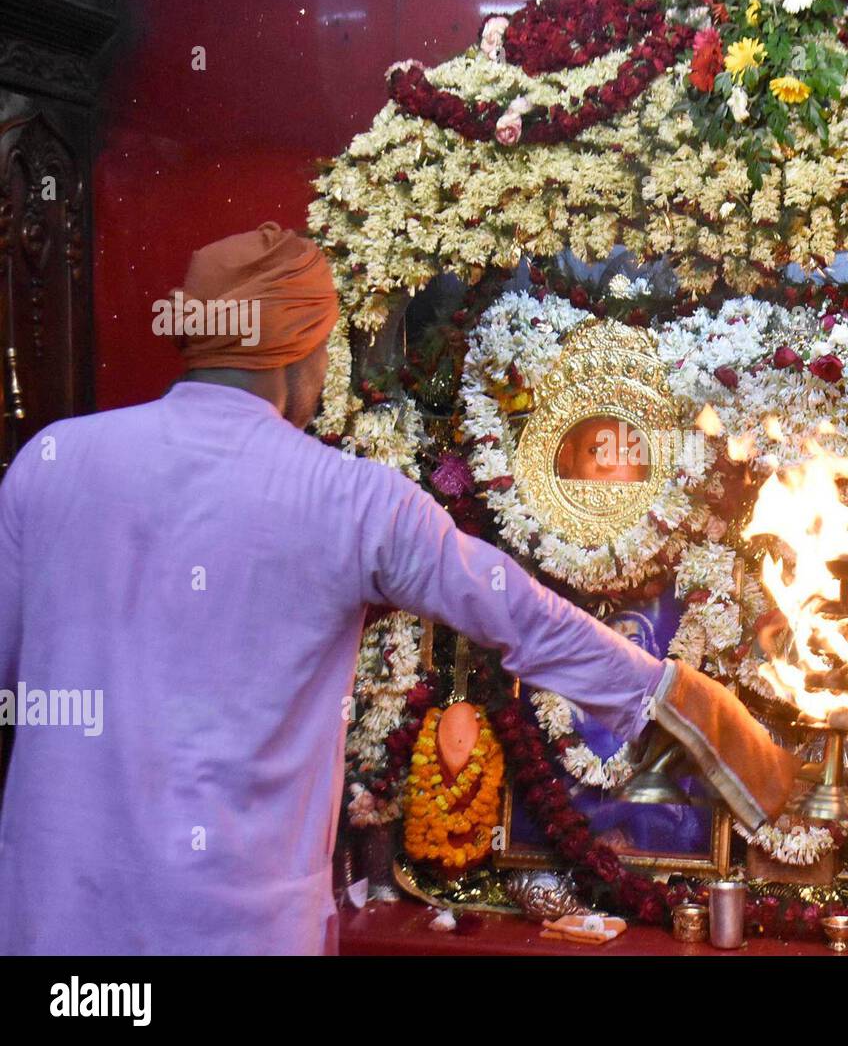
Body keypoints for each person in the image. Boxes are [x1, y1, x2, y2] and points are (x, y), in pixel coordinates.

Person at [0, 223, 797, 955]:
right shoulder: (347, 498)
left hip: (55, 924)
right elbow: (520, 614)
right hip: (229, 927)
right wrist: (680, 696)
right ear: (303, 355)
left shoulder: (50, 462)